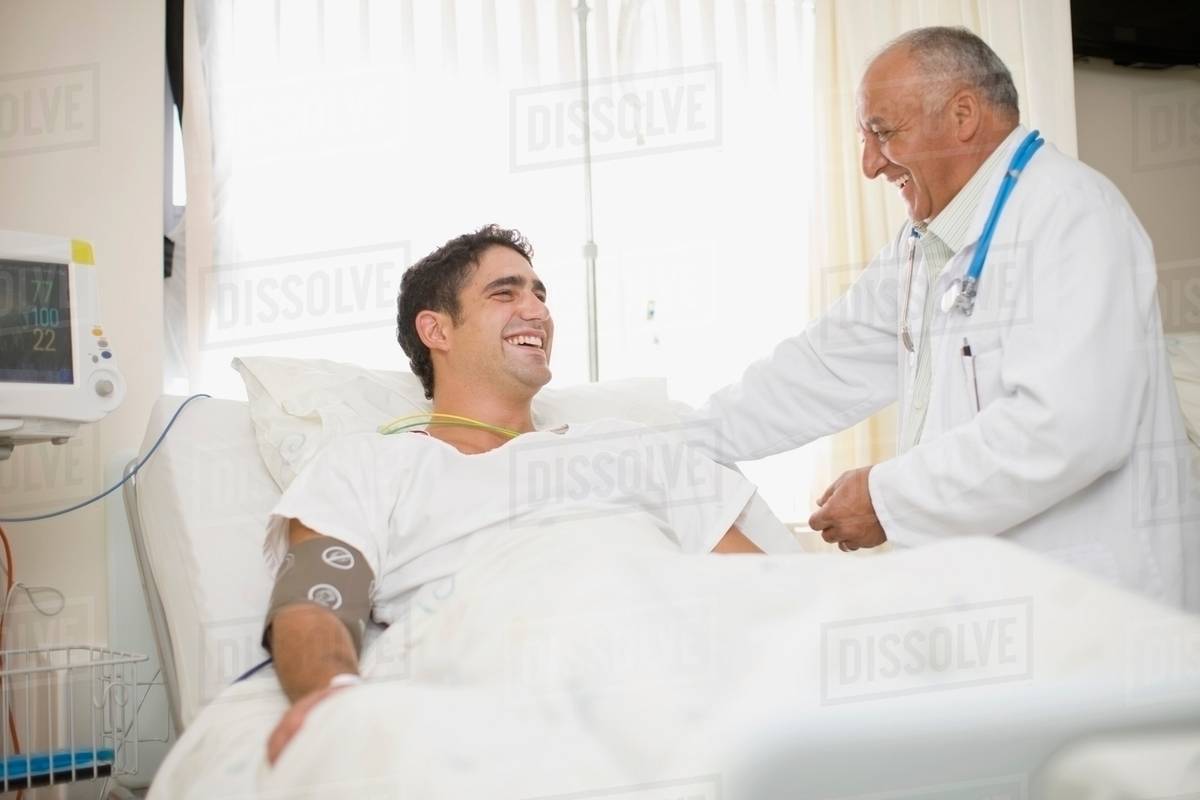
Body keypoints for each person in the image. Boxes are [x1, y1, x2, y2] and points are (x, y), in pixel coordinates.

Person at [697, 26, 1194, 609]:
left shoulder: (1072, 213)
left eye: (883, 133)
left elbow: (1068, 429)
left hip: (1099, 606)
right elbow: (823, 362)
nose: (870, 165)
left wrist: (886, 498)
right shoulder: (927, 238)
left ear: (962, 115)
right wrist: (687, 436)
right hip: (1004, 606)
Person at [261, 225, 766, 765]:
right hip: (507, 673)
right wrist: (333, 699)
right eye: (505, 293)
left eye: (540, 294)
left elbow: (762, 585)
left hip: (680, 660)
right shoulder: (368, 464)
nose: (537, 312)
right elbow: (314, 604)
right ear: (436, 329)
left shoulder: (629, 445)